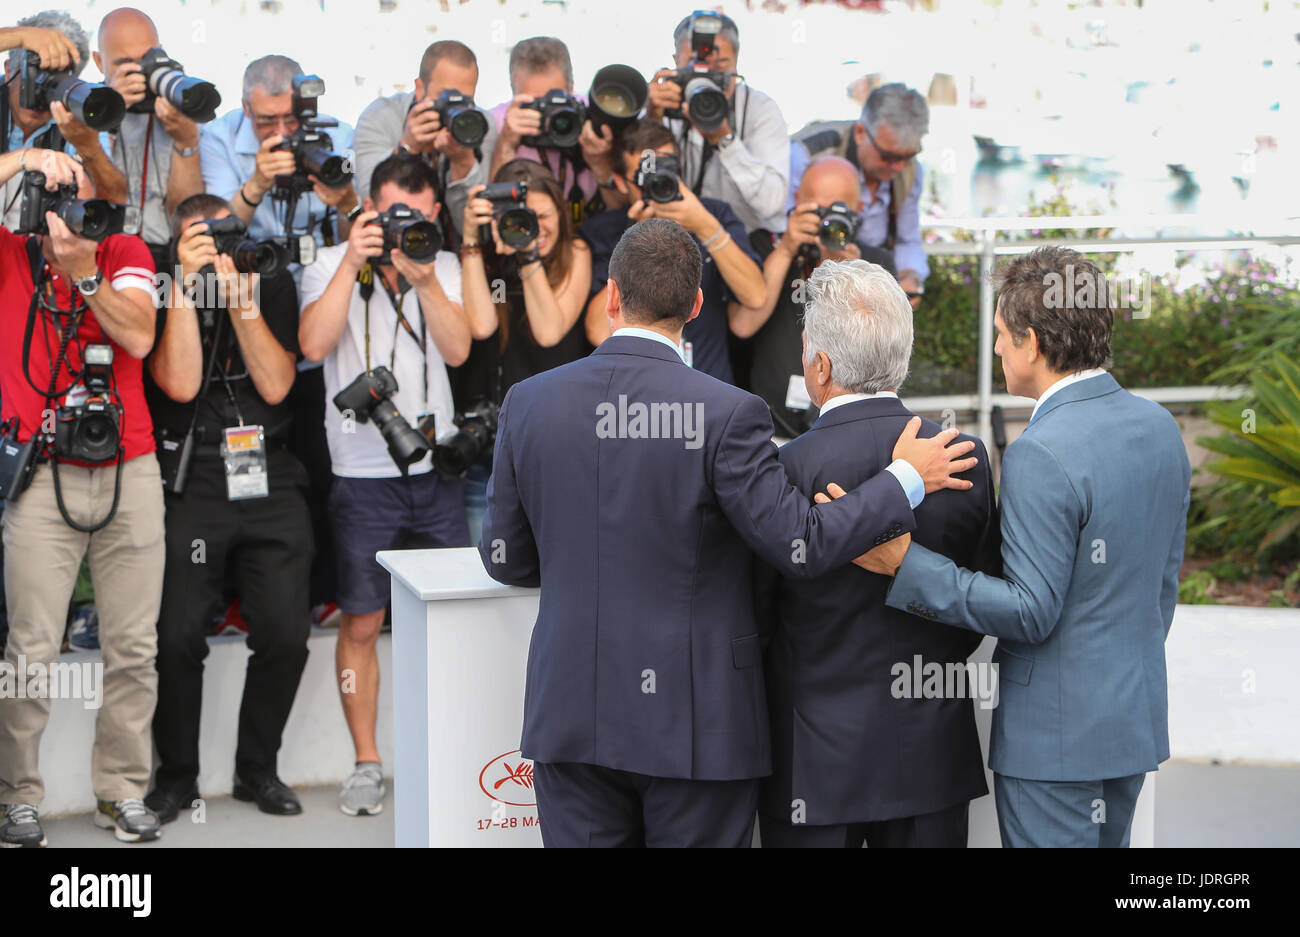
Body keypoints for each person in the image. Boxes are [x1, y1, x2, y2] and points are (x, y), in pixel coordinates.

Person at [478, 217, 979, 848]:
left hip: (573, 714)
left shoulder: (528, 400)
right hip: (697, 725)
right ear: (694, 306)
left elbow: (507, 558)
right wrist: (904, 477)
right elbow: (803, 544)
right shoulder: (729, 412)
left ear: (609, 295)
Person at [860, 246, 1192, 848]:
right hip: (1131, 724)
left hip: (1055, 744)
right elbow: (1161, 589)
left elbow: (1029, 611)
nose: (996, 351)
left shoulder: (1042, 450)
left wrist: (905, 564)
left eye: (1001, 336)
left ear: (1033, 343)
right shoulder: (1159, 427)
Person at [754, 259, 1000, 848]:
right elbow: (982, 603)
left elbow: (759, 620)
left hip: (814, 763)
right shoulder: (963, 455)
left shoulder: (782, 470)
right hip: (931, 754)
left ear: (821, 366)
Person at [299, 152, 473, 817]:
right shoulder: (330, 260)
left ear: (433, 212)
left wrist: (425, 278)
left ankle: (454, 749)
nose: (403, 227)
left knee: (448, 620)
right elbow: (313, 345)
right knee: (363, 621)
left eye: (416, 215)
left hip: (436, 468)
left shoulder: (446, 266)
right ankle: (367, 762)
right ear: (368, 210)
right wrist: (351, 261)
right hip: (360, 474)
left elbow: (458, 350)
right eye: (390, 214)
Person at [0, 148, 163, 846]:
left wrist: (84, 271)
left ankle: (122, 791)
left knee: (134, 645)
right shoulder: (12, 253)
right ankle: (18, 798)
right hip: (41, 470)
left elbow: (138, 331)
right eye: (57, 191)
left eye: (82, 191)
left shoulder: (124, 249)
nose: (72, 206)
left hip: (130, 466)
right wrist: (22, 158)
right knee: (31, 648)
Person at [143, 193, 313, 824]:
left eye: (223, 240)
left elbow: (275, 384)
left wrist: (242, 299)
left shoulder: (266, 275)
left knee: (286, 632)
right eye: (201, 241)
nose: (216, 252)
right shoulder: (162, 284)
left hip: (267, 465)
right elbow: (180, 383)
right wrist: (187, 287)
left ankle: (257, 770)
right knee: (179, 633)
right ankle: (176, 778)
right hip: (196, 471)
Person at [456, 159, 592, 543]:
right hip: (493, 446)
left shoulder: (575, 253)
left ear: (561, 213)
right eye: (521, 217)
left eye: (543, 215)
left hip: (556, 444)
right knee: (485, 576)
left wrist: (527, 254)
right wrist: (470, 238)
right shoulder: (489, 259)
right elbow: (481, 326)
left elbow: (549, 331)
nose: (535, 226)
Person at [581, 120, 764, 385]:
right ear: (621, 182)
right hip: (637, 395)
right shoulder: (605, 230)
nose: (658, 182)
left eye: (666, 171)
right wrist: (639, 238)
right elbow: (598, 331)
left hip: (708, 392)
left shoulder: (714, 215)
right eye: (646, 175)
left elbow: (755, 295)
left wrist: (705, 226)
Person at [733, 155, 897, 439]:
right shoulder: (766, 249)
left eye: (838, 211)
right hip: (769, 429)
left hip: (848, 430)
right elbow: (743, 324)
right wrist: (785, 250)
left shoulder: (875, 264)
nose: (827, 223)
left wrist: (844, 273)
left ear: (858, 209)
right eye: (818, 211)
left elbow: (883, 356)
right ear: (797, 201)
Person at [645, 12, 790, 235]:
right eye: (694, 70)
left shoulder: (760, 109)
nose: (706, 81)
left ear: (736, 64)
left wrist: (725, 140)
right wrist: (651, 121)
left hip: (747, 243)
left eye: (720, 69)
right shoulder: (662, 105)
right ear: (675, 64)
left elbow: (771, 204)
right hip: (677, 240)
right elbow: (638, 183)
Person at [792, 83, 930, 308]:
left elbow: (907, 238)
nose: (898, 167)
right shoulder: (807, 154)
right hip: (806, 283)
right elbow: (785, 229)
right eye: (888, 156)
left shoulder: (910, 170)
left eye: (908, 156)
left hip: (873, 284)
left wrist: (909, 278)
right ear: (860, 133)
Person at [199, 54, 357, 247]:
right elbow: (217, 235)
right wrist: (255, 186)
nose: (281, 131)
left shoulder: (339, 137)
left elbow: (353, 245)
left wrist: (348, 204)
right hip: (251, 266)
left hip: (323, 265)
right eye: (267, 120)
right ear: (246, 109)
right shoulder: (220, 138)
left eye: (291, 118)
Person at [91, 8, 206, 272]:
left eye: (146, 59)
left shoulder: (178, 105)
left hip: (167, 258)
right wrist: (109, 114)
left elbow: (186, 215)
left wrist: (186, 140)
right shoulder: (85, 108)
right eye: (124, 63)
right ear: (99, 62)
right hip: (105, 255)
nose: (138, 71)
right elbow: (94, 195)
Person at [351, 40, 491, 246]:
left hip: (456, 262)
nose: (455, 107)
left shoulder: (479, 126)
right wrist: (408, 148)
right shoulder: (380, 117)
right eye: (446, 97)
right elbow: (369, 203)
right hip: (393, 250)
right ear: (420, 88)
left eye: (465, 99)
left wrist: (463, 163)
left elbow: (475, 231)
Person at [1, 15, 125, 230]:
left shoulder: (79, 113)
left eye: (54, 83)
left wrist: (89, 146)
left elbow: (116, 200)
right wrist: (19, 37)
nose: (40, 96)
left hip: (39, 255)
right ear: (9, 70)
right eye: (33, 80)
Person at [488, 37, 627, 227]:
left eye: (556, 100)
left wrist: (600, 162)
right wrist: (506, 143)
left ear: (571, 88)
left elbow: (621, 209)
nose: (549, 116)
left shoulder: (592, 115)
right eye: (536, 104)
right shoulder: (497, 122)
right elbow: (491, 208)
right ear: (514, 93)